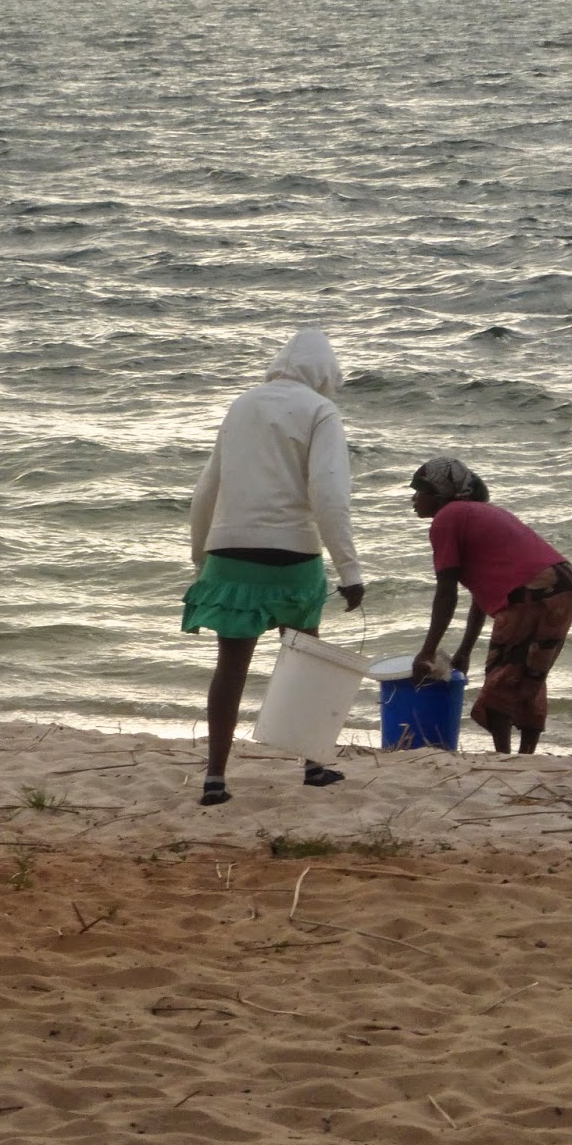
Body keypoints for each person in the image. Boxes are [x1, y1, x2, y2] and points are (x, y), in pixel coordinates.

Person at [183, 327, 364, 805]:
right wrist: (349, 570)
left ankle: (215, 778)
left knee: (231, 668)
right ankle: (313, 766)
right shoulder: (321, 410)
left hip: (230, 552)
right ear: (325, 374)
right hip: (293, 557)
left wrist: (201, 555)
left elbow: (207, 487)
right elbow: (328, 494)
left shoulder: (242, 405)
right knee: (305, 661)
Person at [409, 457, 572, 755]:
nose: (413, 499)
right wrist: (464, 651)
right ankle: (525, 755)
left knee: (504, 671)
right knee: (531, 670)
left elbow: (446, 593)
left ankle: (504, 755)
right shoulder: (479, 513)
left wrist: (427, 651)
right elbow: (482, 593)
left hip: (533, 589)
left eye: (418, 491)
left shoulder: (447, 517)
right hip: (564, 584)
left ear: (438, 494)